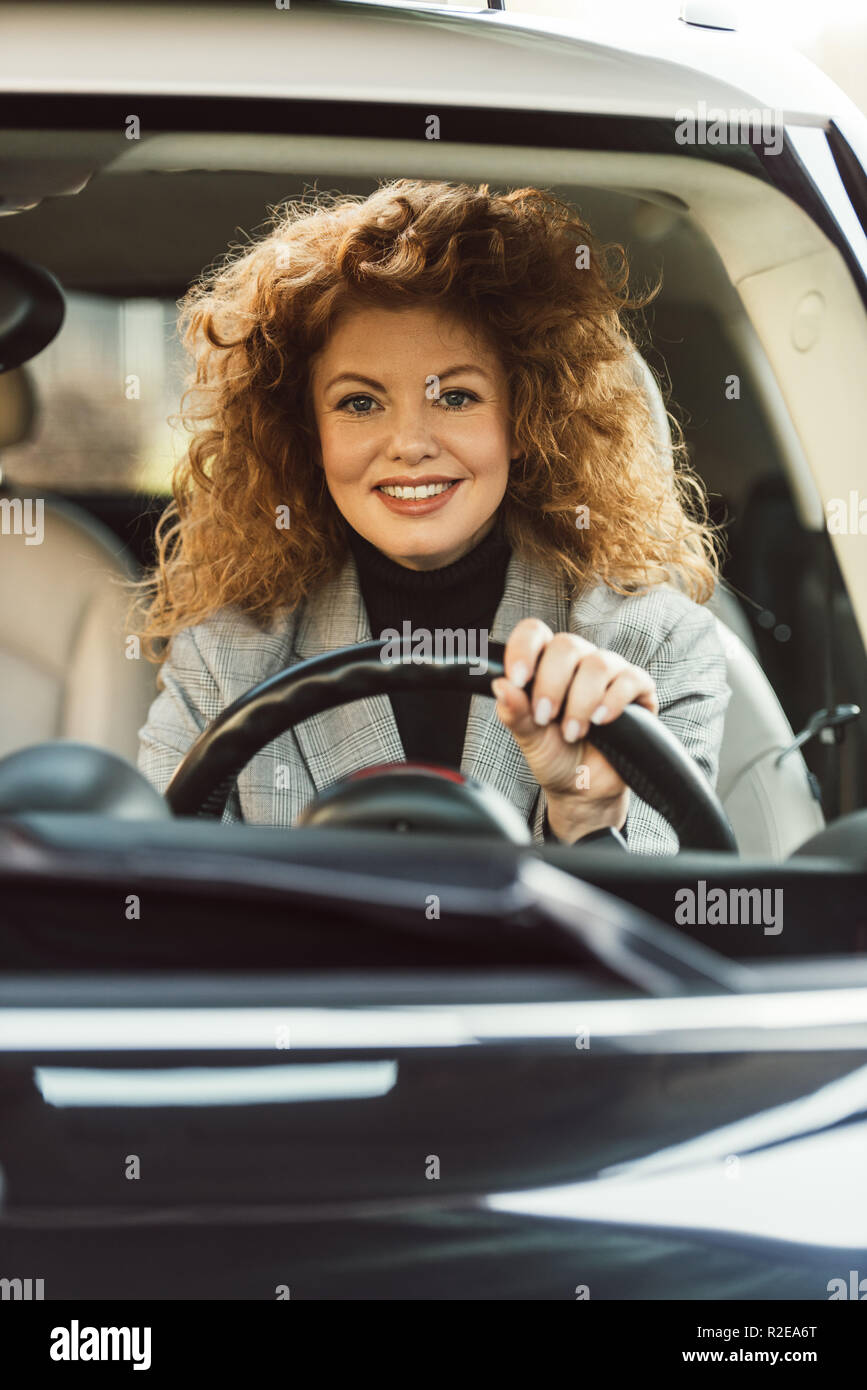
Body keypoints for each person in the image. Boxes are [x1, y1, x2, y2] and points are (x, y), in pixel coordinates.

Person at [135, 179, 730, 853]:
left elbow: (662, 913)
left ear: (525, 418)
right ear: (308, 434)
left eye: (455, 396)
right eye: (359, 403)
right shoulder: (224, 650)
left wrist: (585, 814)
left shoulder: (651, 644)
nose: (410, 444)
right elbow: (156, 886)